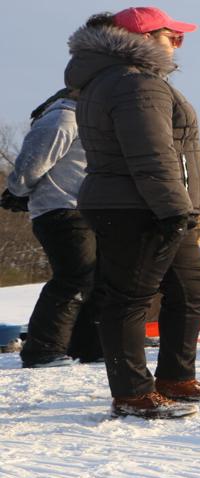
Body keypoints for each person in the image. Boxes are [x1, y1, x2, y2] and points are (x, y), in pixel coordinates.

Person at [67, 7, 200, 419]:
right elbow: (151, 154)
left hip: (155, 202)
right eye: (174, 36)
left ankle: (175, 376)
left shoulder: (127, 80)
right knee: (130, 298)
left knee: (191, 288)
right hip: (137, 205)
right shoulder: (134, 84)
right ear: (147, 38)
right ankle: (132, 392)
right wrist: (173, 209)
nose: (178, 45)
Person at [5, 87, 101, 369]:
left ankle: (88, 346)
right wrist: (20, 192)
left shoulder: (89, 121)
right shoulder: (63, 118)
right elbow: (26, 170)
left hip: (84, 208)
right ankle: (42, 349)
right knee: (75, 277)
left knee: (94, 278)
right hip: (61, 208)